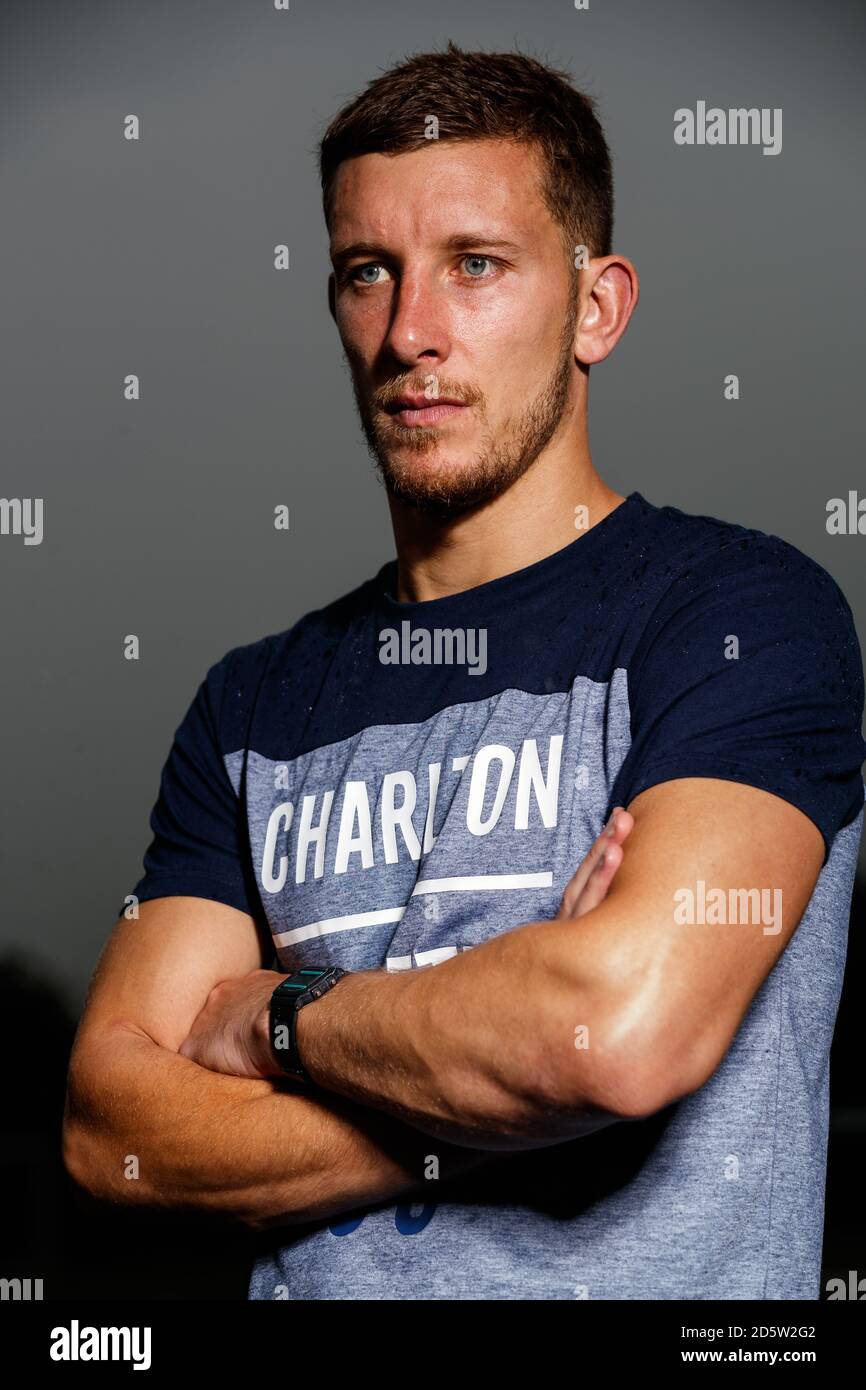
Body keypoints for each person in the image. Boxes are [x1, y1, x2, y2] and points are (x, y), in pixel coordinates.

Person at [64, 42, 865, 1301]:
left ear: (594, 306)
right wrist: (511, 1092)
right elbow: (109, 1131)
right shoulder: (252, 703)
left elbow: (617, 1034)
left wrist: (278, 1017)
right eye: (365, 273)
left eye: (474, 266)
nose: (409, 334)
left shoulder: (735, 615)